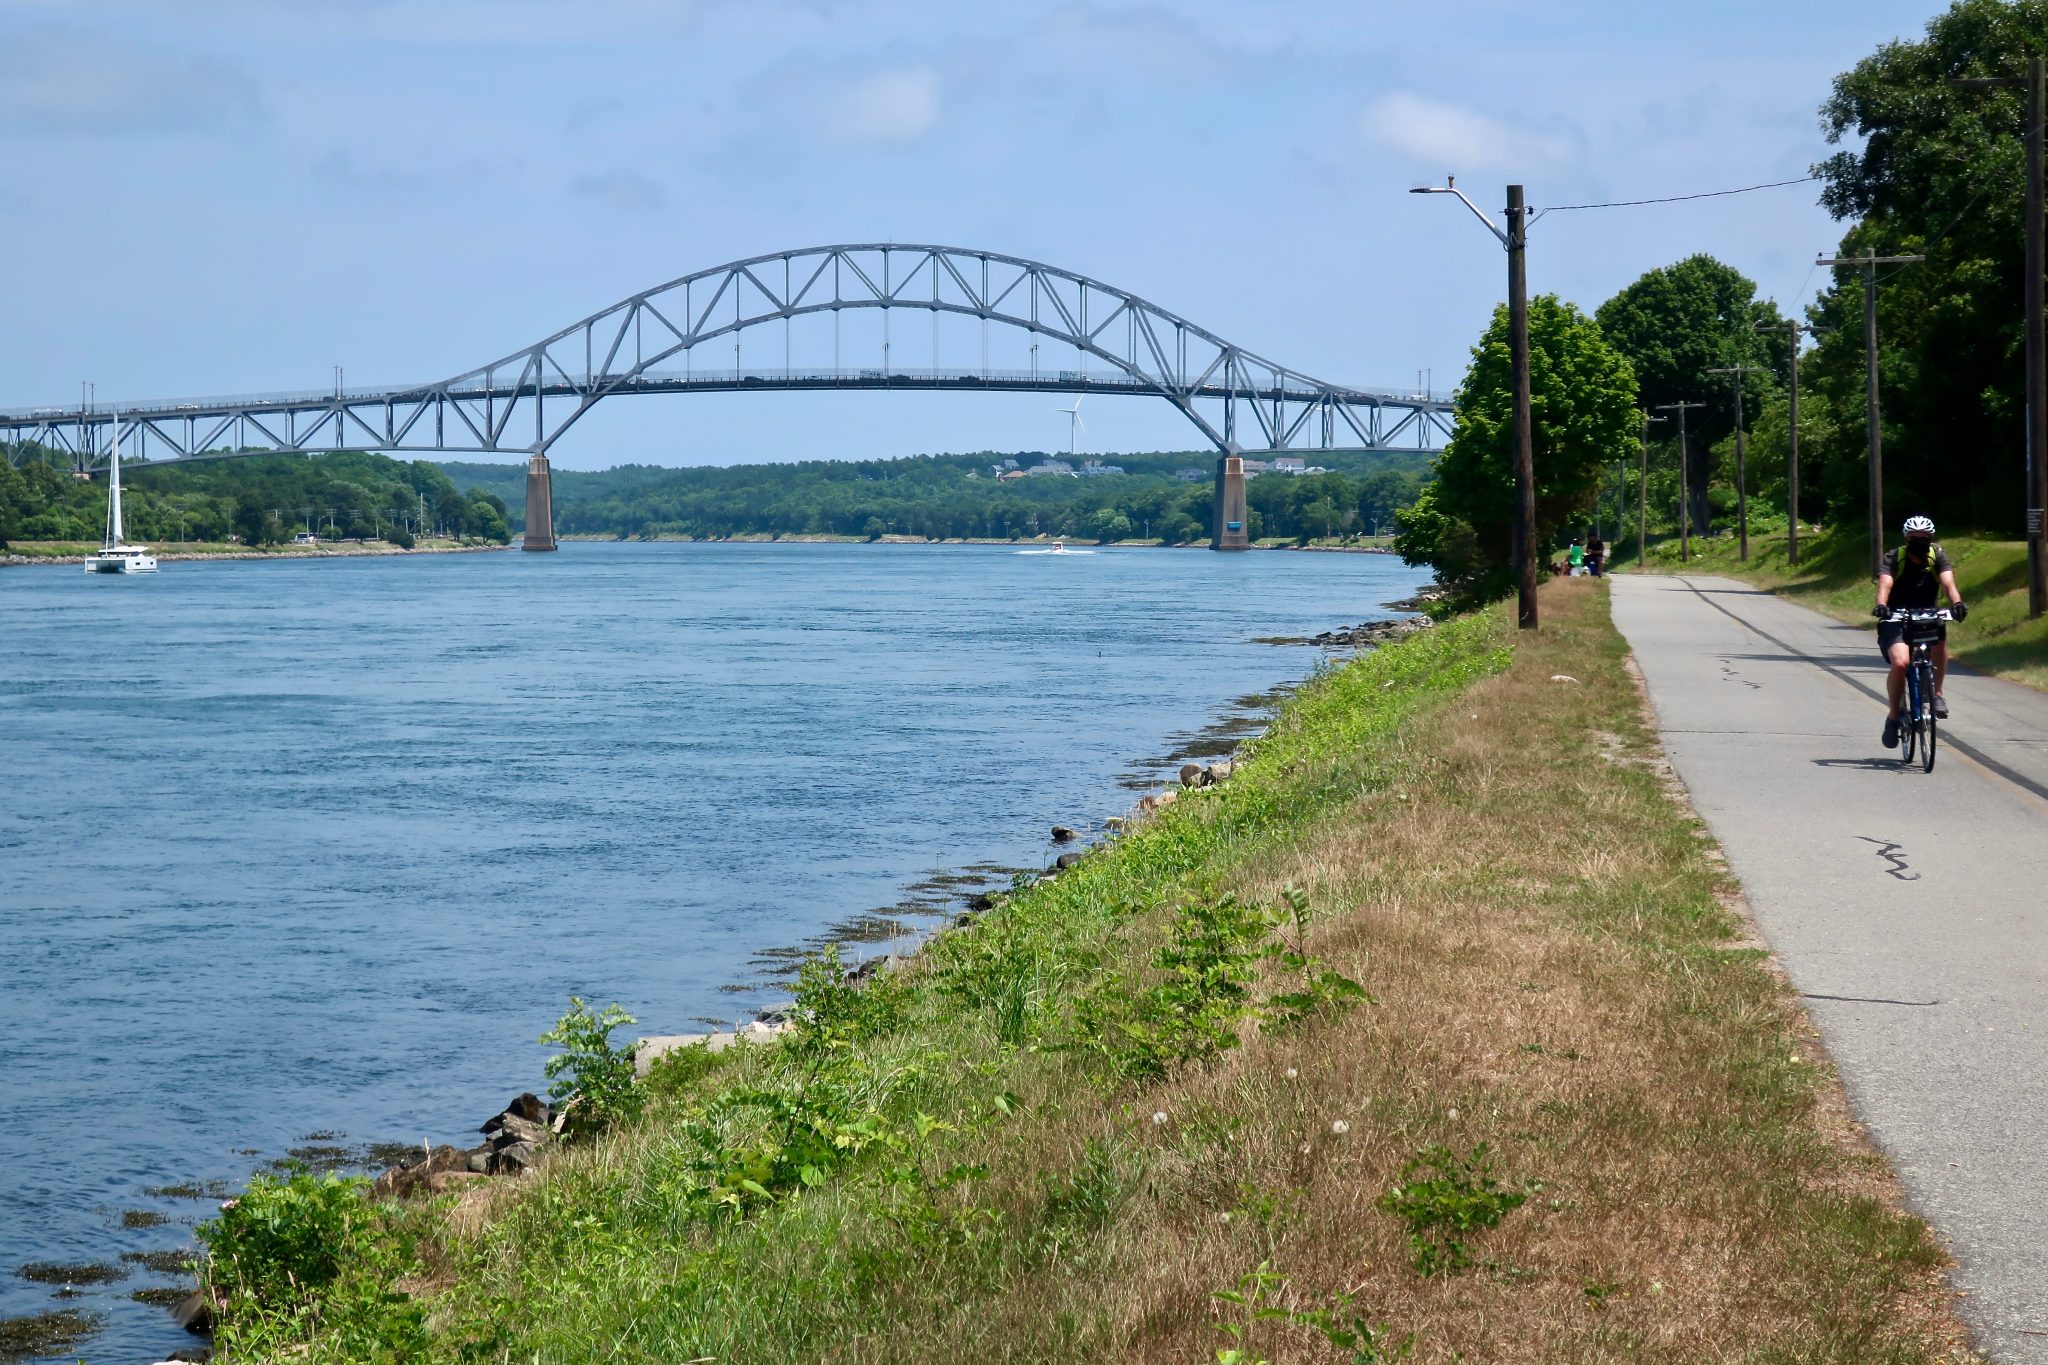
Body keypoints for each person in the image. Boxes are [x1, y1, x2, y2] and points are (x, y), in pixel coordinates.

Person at [1873, 515, 1968, 748]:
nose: (1919, 541)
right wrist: (1882, 606)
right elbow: (1885, 583)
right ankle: (1894, 717)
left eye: (1924, 537)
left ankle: (1936, 694)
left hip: (1927, 613)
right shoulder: (1895, 557)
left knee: (1940, 643)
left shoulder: (1937, 555)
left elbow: (1948, 583)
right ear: (1906, 538)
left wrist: (1956, 603)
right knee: (1901, 663)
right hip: (1895, 616)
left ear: (1930, 538)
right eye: (1914, 537)